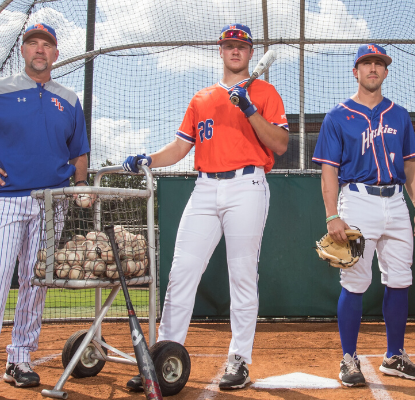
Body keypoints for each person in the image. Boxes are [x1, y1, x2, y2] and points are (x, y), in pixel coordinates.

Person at [121, 23, 288, 391]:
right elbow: (180, 148)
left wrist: (249, 110)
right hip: (205, 187)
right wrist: (149, 158)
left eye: (242, 46)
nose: (235, 51)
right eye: (229, 45)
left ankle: (239, 360)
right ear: (221, 50)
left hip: (248, 184)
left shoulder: (264, 92)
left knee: (242, 276)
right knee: (181, 273)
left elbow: (279, 143)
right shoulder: (201, 98)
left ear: (249, 53)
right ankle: (163, 357)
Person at [0, 24, 89, 399]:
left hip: (51, 202)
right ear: (24, 52)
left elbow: (80, 153)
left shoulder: (69, 98)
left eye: (47, 45)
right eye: (33, 44)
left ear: (56, 55)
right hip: (5, 200)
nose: (40, 50)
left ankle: (20, 359)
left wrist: (77, 190)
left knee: (34, 282)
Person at [311, 43, 415, 387]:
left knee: (400, 279)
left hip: (395, 202)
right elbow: (329, 172)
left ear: (386, 72)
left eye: (379, 63)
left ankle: (394, 356)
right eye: (367, 63)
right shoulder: (338, 116)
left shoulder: (399, 114)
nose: (373, 69)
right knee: (355, 282)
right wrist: (332, 216)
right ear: (356, 72)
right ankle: (349, 359)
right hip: (357, 200)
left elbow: (410, 165)